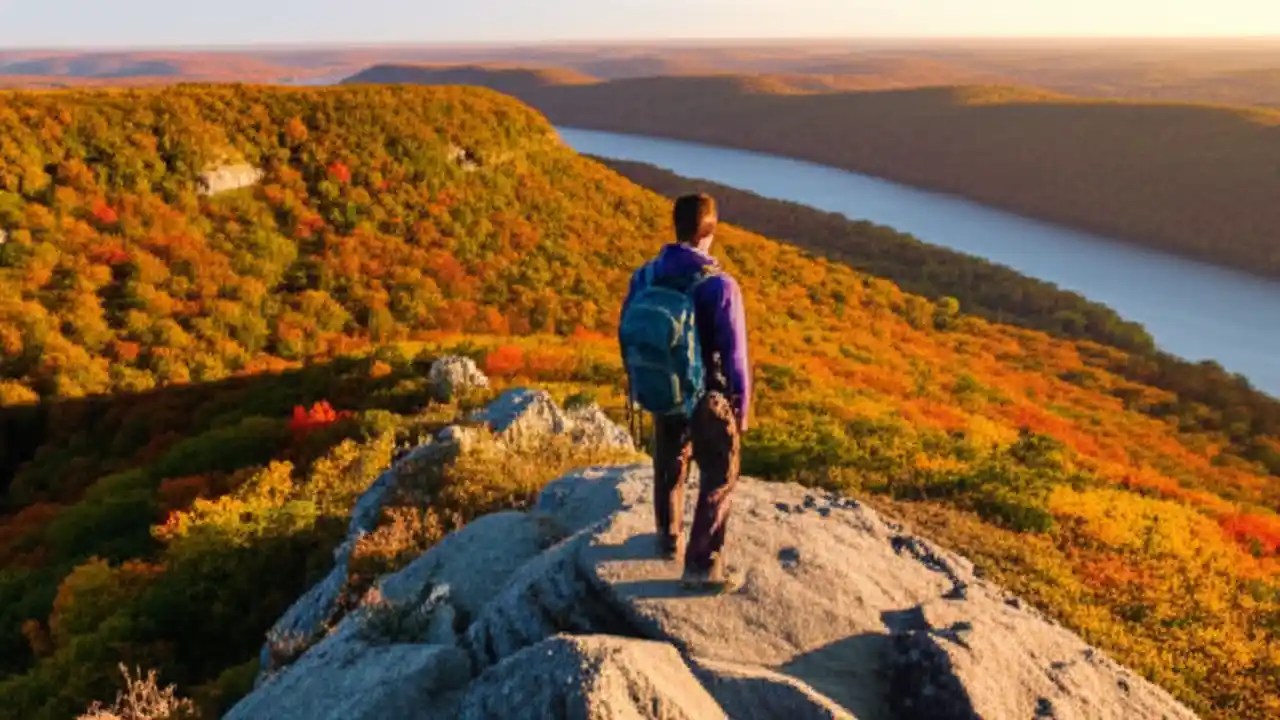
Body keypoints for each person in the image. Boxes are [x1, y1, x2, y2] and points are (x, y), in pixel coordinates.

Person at [618, 193, 751, 591]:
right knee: (718, 473)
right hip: (707, 398)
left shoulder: (644, 276)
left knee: (669, 460)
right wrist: (740, 410)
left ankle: (667, 536)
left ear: (675, 226)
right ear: (710, 231)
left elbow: (627, 329)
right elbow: (735, 357)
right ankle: (702, 567)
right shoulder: (720, 286)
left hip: (662, 385)